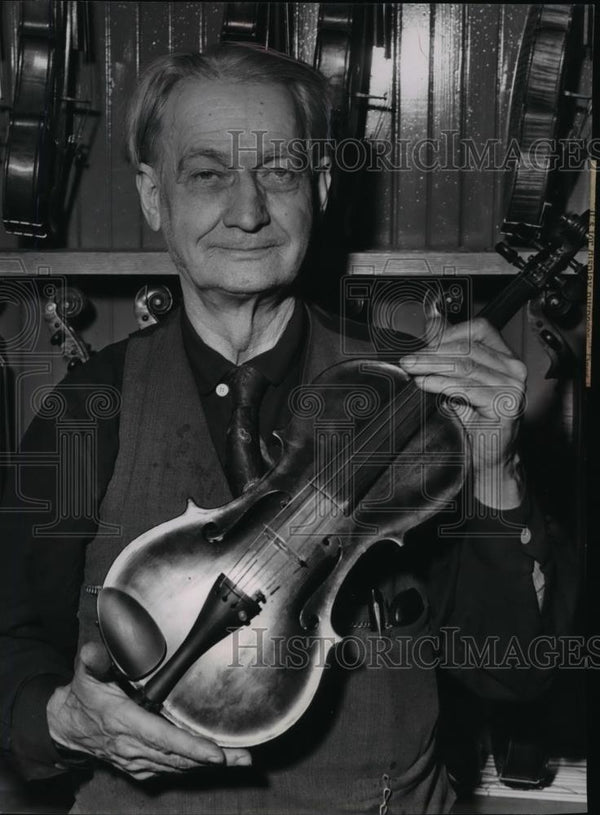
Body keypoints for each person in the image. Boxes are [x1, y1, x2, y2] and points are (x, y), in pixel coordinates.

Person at [0, 44, 559, 815]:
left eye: (280, 172)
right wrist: (63, 718)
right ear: (153, 197)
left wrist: (495, 466)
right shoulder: (85, 407)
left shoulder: (417, 402)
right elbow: (8, 638)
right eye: (207, 175)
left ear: (320, 187)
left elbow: (515, 672)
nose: (248, 211)